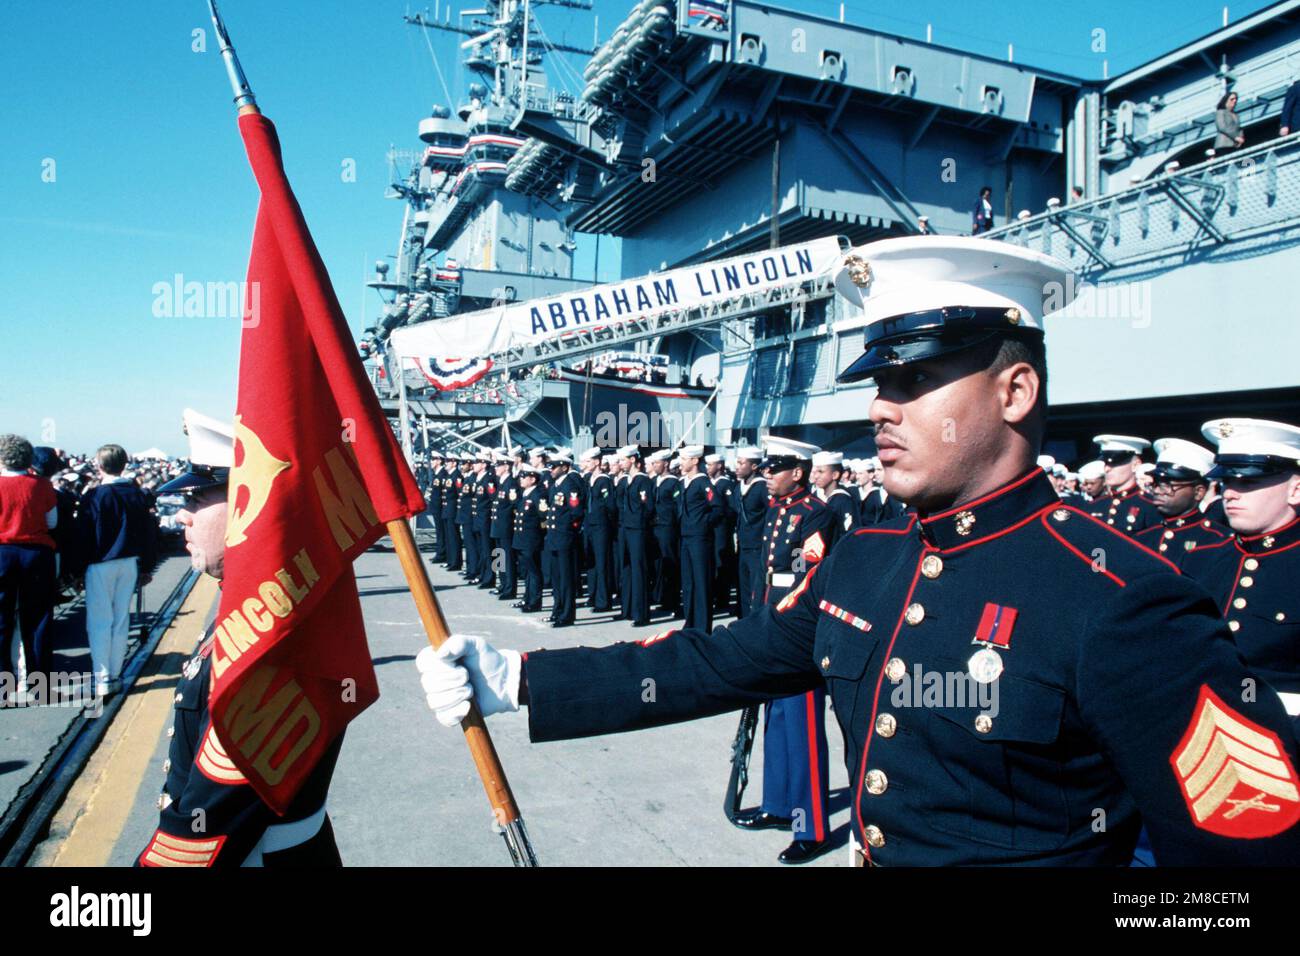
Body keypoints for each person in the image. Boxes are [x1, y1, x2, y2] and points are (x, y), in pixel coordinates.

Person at [416, 236, 1300, 865]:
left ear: (1016, 389)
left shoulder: (1122, 598)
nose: (881, 407)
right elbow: (718, 662)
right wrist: (523, 680)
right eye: (879, 381)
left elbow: (1248, 859)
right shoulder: (869, 557)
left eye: (913, 379)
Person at [139, 409, 343, 867]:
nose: (182, 518)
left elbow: (212, 816)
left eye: (196, 500)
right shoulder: (251, 605)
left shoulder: (273, 635)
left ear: (248, 504)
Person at [728, 437, 835, 864]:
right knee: (775, 720)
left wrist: (782, 623)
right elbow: (767, 575)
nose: (767, 474)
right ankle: (777, 804)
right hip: (771, 629)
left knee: (804, 730)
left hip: (799, 635)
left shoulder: (816, 514)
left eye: (777, 467)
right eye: (767, 467)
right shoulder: (778, 511)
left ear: (799, 472)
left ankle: (812, 826)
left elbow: (811, 574)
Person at [1182, 419, 1300, 717]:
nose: (1230, 493)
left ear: (1296, 491)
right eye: (1226, 482)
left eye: (1247, 482)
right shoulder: (1201, 559)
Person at [75, 443, 158, 697]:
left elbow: (84, 536)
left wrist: (77, 570)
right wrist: (146, 565)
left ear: (100, 466)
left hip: (100, 564)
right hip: (130, 562)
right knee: (121, 618)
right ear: (124, 464)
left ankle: (101, 678)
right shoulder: (137, 494)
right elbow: (149, 533)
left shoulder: (94, 497)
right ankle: (116, 674)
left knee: (100, 621)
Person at [0, 434, 58, 693]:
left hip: (2, 553)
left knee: (2, 620)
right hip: (36, 554)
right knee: (37, 619)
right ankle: (39, 685)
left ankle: (4, 686)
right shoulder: (42, 485)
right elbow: (52, 523)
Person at [1133, 438, 1228, 567]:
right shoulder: (1142, 538)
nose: (1157, 490)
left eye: (1168, 485)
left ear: (1198, 492)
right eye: (1156, 483)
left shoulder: (1218, 540)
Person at [675, 445, 718, 631]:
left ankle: (702, 626)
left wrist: (703, 524)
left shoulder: (703, 482)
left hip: (699, 538)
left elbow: (718, 508)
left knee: (701, 582)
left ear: (694, 460)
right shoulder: (684, 482)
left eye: (684, 459)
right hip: (686, 537)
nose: (681, 463)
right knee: (689, 582)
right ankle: (690, 621)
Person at [1083, 435, 1160, 534]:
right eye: (1106, 463)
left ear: (1135, 465)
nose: (1107, 469)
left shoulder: (1150, 507)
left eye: (1114, 463)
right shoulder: (1093, 506)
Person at [544, 452, 585, 628]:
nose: (550, 469)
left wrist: (567, 529)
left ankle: (567, 614)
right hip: (553, 536)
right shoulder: (555, 486)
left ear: (565, 467)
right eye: (550, 466)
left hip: (564, 537)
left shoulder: (570, 484)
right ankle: (557, 609)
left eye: (554, 466)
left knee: (566, 578)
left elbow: (576, 512)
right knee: (557, 577)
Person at [616, 445, 654, 627]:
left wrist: (639, 522)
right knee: (626, 568)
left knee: (639, 569)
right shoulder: (625, 481)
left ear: (633, 460)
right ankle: (627, 609)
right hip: (624, 528)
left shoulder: (642, 481)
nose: (620, 463)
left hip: (638, 529)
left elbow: (648, 508)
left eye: (623, 459)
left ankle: (641, 613)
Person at [729, 447, 768, 619]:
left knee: (756, 591)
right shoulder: (739, 487)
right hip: (743, 546)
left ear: (753, 466)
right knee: (743, 591)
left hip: (758, 547)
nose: (737, 466)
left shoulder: (761, 487)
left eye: (741, 463)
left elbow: (770, 515)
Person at [579, 447, 615, 612]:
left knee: (602, 564)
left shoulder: (603, 480)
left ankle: (604, 600)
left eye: (588, 461)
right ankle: (593, 595)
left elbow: (610, 506)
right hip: (589, 525)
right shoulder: (589, 479)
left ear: (596, 462)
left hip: (601, 526)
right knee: (591, 562)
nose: (585, 464)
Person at [648, 450, 682, 618]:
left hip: (668, 527)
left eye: (657, 463)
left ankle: (673, 600)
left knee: (671, 564)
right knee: (658, 564)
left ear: (666, 463)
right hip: (655, 527)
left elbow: (678, 506)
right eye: (653, 463)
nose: (654, 466)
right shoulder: (654, 481)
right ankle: (661, 597)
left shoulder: (673, 483)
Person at [511, 465, 545, 612]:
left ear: (532, 479)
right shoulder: (526, 494)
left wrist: (538, 535)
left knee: (534, 572)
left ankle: (535, 602)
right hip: (522, 539)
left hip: (531, 540)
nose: (521, 479)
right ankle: (527, 598)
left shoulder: (538, 495)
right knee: (527, 572)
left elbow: (544, 518)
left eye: (524, 477)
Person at [705, 453, 736, 614]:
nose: (707, 468)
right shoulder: (709, 483)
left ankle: (722, 598)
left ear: (719, 465)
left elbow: (732, 508)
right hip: (711, 529)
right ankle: (716, 595)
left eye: (711, 464)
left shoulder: (725, 484)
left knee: (722, 561)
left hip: (722, 529)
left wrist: (723, 519)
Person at [488, 452, 517, 600]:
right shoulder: (502, 482)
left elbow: (513, 505)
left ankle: (510, 588)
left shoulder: (511, 483)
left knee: (507, 558)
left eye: (498, 465)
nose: (495, 468)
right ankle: (502, 584)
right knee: (498, 556)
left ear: (506, 466)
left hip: (505, 526)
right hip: (497, 525)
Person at [811, 450, 859, 537]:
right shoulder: (815, 496)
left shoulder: (843, 500)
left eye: (821, 472)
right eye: (815, 472)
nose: (816, 476)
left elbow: (850, 533)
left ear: (835, 475)